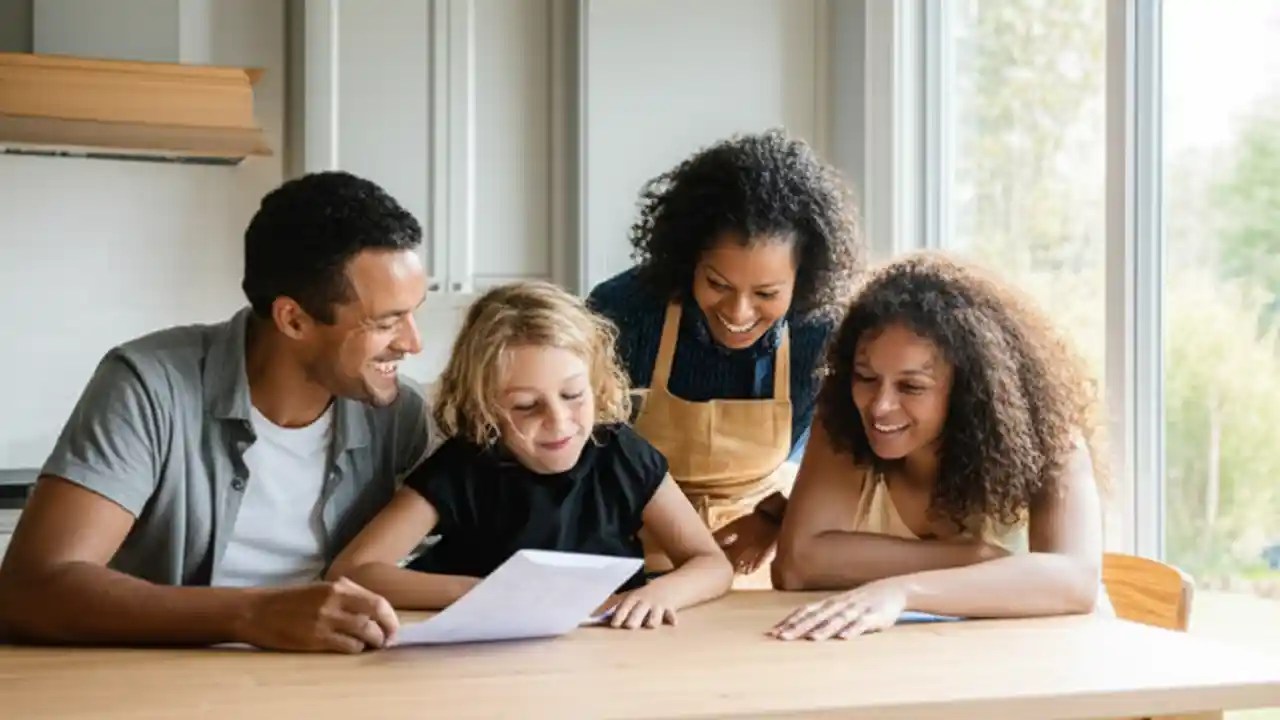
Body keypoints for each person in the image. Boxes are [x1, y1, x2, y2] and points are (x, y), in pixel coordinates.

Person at [0, 171, 434, 654]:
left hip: (332, 684)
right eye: (387, 322)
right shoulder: (150, 385)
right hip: (157, 688)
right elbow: (30, 590)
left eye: (414, 312)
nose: (413, 343)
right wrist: (252, 614)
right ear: (294, 319)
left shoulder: (397, 415)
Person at [328, 281, 732, 629]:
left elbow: (711, 563)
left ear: (596, 384)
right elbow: (353, 572)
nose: (559, 422)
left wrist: (661, 593)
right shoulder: (464, 466)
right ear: (484, 406)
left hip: (602, 655)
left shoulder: (620, 453)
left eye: (574, 395)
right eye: (525, 406)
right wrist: (489, 593)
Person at [770, 253, 1110, 640]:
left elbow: (1074, 580)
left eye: (911, 387)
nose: (880, 405)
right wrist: (975, 559)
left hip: (1057, 659)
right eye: (866, 377)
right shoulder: (846, 420)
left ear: (970, 390)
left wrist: (904, 591)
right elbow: (797, 563)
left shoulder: (1048, 434)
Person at [587, 129, 866, 588]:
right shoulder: (625, 311)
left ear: (804, 280)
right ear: (689, 258)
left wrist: (778, 514)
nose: (738, 312)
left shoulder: (823, 333)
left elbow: (858, 455)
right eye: (718, 284)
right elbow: (576, 450)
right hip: (625, 557)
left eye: (767, 293)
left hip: (751, 560)